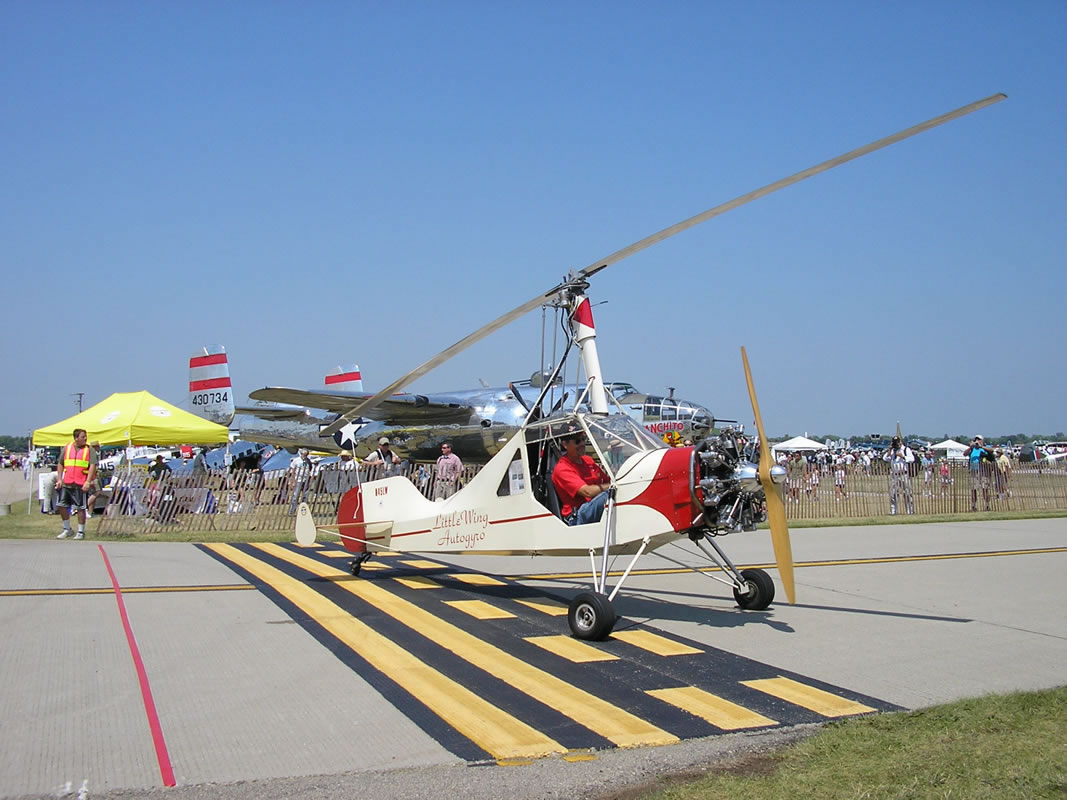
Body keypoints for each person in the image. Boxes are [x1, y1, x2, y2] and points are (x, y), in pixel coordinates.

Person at [551, 430, 610, 525]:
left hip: (593, 506)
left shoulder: (588, 460)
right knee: (609, 494)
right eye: (577, 441)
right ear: (565, 445)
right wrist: (612, 485)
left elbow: (607, 480)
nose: (582, 443)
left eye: (583, 439)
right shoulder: (562, 469)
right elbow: (587, 492)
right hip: (578, 515)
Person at [56, 428, 98, 539]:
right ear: (76, 438)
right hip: (67, 482)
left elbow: (92, 466)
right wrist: (59, 479)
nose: (85, 438)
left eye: (85, 436)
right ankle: (67, 529)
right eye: (83, 436)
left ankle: (80, 531)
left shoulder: (89, 450)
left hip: (80, 483)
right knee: (61, 506)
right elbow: (60, 463)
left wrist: (88, 481)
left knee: (80, 508)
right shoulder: (67, 448)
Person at [884, 436, 915, 515]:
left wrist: (903, 456)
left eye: (897, 442)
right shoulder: (893, 450)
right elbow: (885, 458)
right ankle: (894, 510)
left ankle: (909, 510)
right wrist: (890, 449)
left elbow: (912, 459)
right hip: (894, 474)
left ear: (900, 441)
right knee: (893, 493)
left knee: (907, 493)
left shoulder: (905, 449)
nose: (896, 443)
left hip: (903, 474)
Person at [965, 435, 995, 511]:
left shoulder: (985, 447)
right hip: (974, 471)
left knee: (985, 488)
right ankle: (973, 506)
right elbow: (964, 454)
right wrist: (970, 447)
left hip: (983, 470)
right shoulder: (972, 449)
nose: (977, 441)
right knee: (973, 489)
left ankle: (987, 505)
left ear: (982, 440)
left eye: (979, 439)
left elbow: (991, 451)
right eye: (976, 440)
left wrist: (981, 447)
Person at [287, 448, 314, 514]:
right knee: (295, 496)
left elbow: (310, 468)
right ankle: (292, 511)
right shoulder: (296, 460)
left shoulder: (308, 461)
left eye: (306, 455)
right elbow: (293, 471)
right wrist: (293, 480)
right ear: (301, 454)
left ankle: (303, 511)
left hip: (306, 479)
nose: (305, 456)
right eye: (304, 455)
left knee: (305, 496)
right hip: (298, 479)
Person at [84, 441, 104, 518]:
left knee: (93, 493)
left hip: (94, 476)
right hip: (93, 477)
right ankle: (85, 507)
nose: (99, 448)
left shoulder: (92, 454)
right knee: (97, 492)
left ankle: (90, 511)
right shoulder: (92, 455)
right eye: (97, 446)